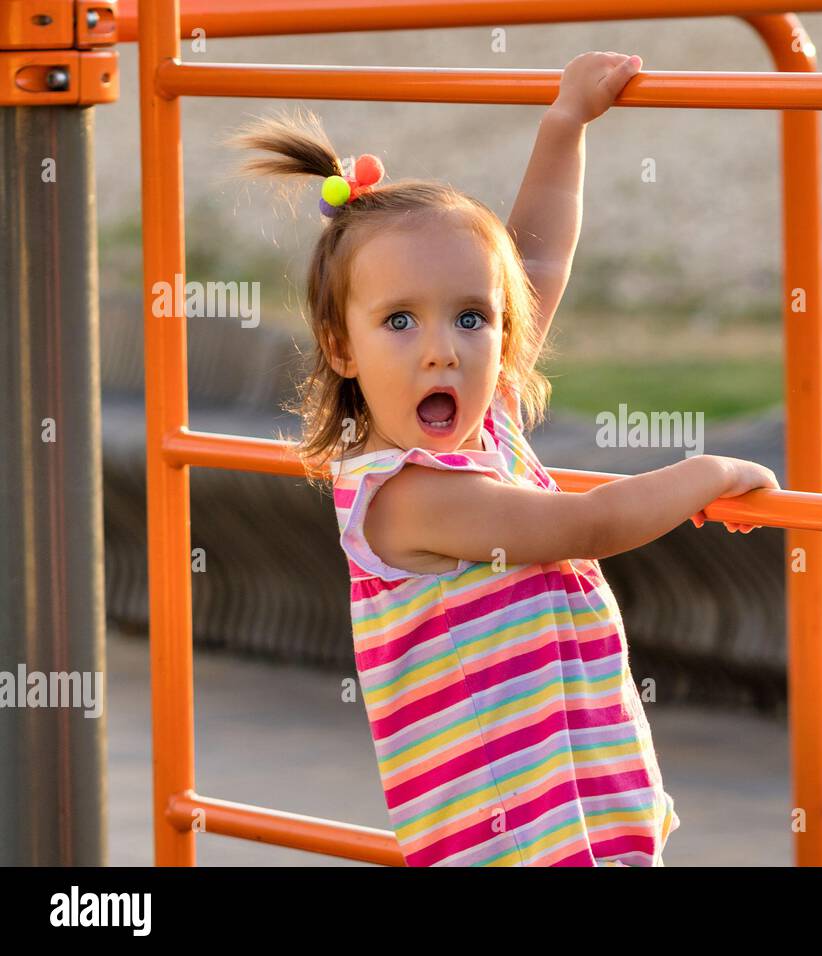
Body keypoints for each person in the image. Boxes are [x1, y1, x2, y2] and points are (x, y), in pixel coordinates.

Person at [233, 53, 780, 866]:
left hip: (583, 793)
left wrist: (565, 125)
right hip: (509, 833)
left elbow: (540, 263)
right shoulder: (408, 495)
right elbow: (587, 524)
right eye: (400, 323)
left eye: (470, 318)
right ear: (340, 347)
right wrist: (712, 473)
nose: (442, 352)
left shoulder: (482, 425)